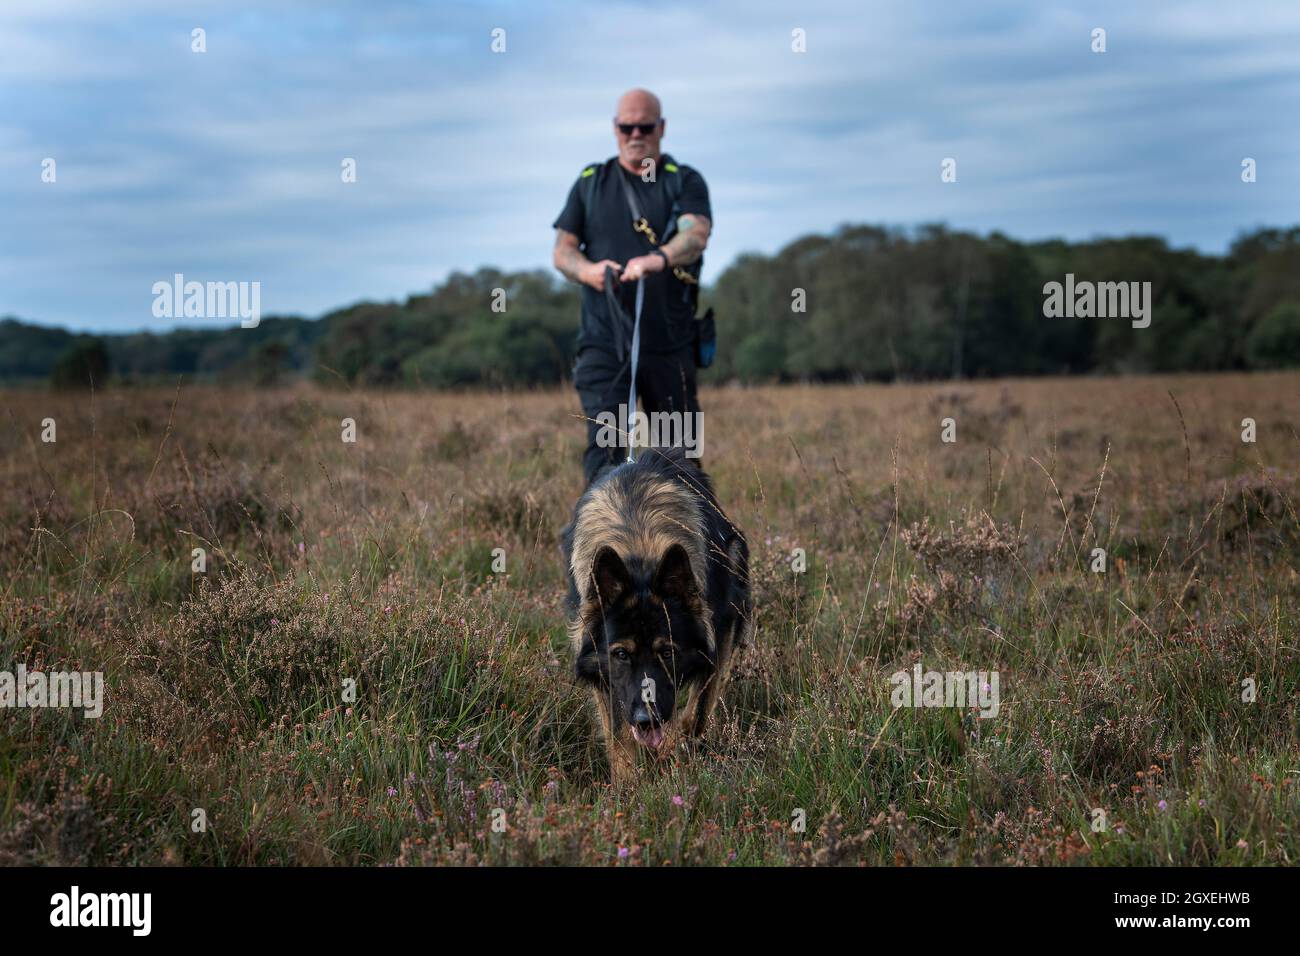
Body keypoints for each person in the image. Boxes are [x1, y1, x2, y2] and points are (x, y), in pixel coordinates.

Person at [552, 88, 712, 485]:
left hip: (669, 342)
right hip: (604, 342)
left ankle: (686, 544)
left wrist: (657, 259)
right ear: (615, 128)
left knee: (678, 455)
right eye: (627, 126)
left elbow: (696, 236)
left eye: (645, 125)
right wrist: (589, 271)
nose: (636, 133)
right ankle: (601, 544)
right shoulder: (591, 182)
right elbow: (562, 251)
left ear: (662, 127)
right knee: (606, 449)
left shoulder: (683, 180)